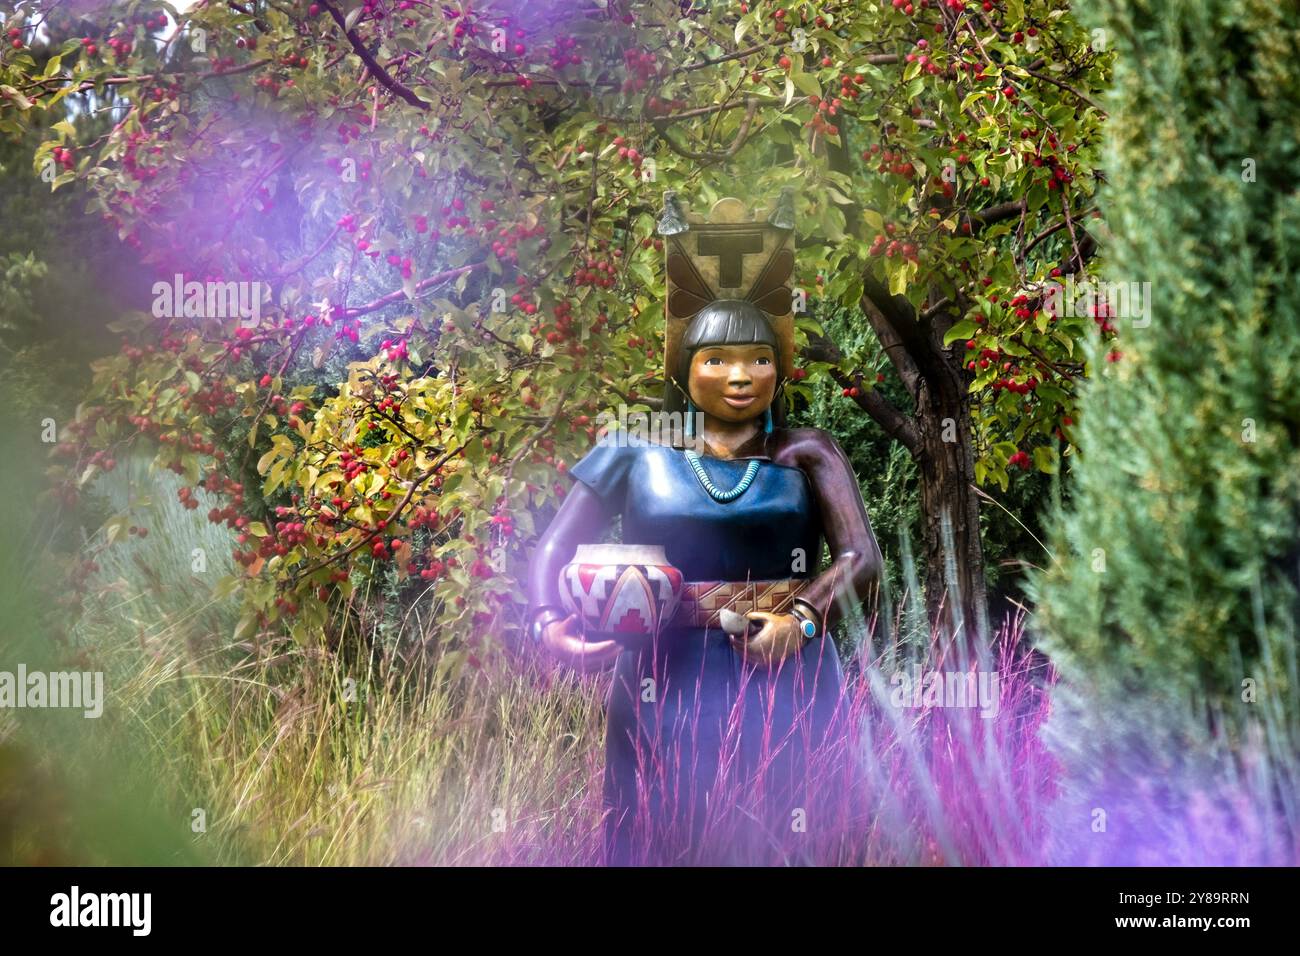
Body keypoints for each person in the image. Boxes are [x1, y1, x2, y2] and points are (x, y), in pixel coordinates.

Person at [527, 296, 882, 865]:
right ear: (683, 369)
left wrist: (801, 622)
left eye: (759, 359)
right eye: (717, 359)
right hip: (662, 674)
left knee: (794, 830)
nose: (741, 376)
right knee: (659, 828)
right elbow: (554, 547)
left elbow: (861, 559)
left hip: (789, 675)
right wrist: (548, 624)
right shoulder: (632, 447)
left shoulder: (808, 452)